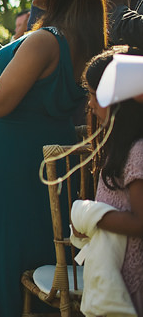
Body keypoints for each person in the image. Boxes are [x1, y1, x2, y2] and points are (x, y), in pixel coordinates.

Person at [0, 0, 107, 317]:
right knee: (30, 249)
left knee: (0, 259)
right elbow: (27, 85)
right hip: (47, 160)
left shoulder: (44, 39)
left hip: (7, 161)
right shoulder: (83, 40)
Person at [80, 48, 143, 314]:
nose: (90, 104)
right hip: (115, 273)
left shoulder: (137, 151)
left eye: (95, 95)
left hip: (131, 282)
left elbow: (141, 222)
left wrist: (90, 216)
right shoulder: (118, 148)